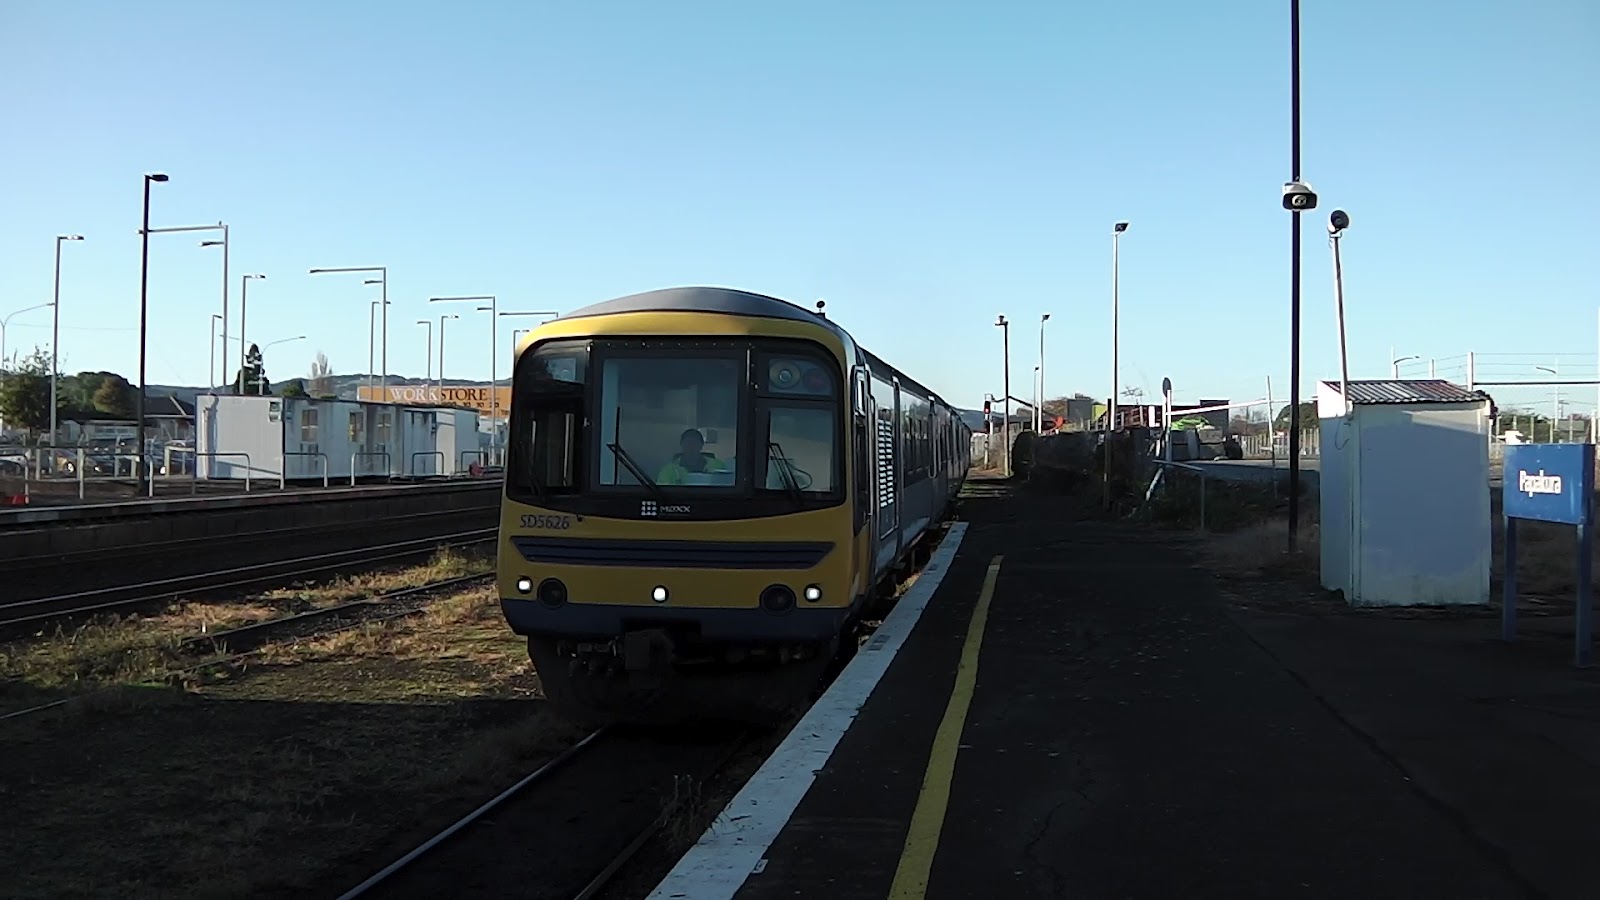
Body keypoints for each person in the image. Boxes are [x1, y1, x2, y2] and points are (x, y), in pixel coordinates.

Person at [656, 428, 729, 485]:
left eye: (695, 443)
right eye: (688, 443)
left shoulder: (718, 466)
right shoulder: (669, 471)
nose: (691, 447)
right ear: (682, 445)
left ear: (701, 446)